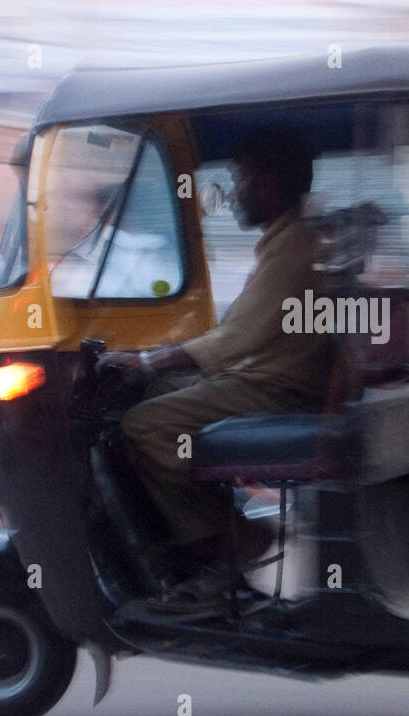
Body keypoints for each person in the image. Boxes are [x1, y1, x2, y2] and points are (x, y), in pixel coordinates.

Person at [103, 127, 334, 615]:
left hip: (279, 391)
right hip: (270, 377)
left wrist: (147, 359)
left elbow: (236, 340)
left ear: (270, 183)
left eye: (242, 178)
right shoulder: (292, 240)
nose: (235, 193)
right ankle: (191, 545)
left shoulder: (295, 252)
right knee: (157, 390)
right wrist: (158, 363)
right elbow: (241, 335)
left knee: (144, 426)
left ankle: (231, 543)